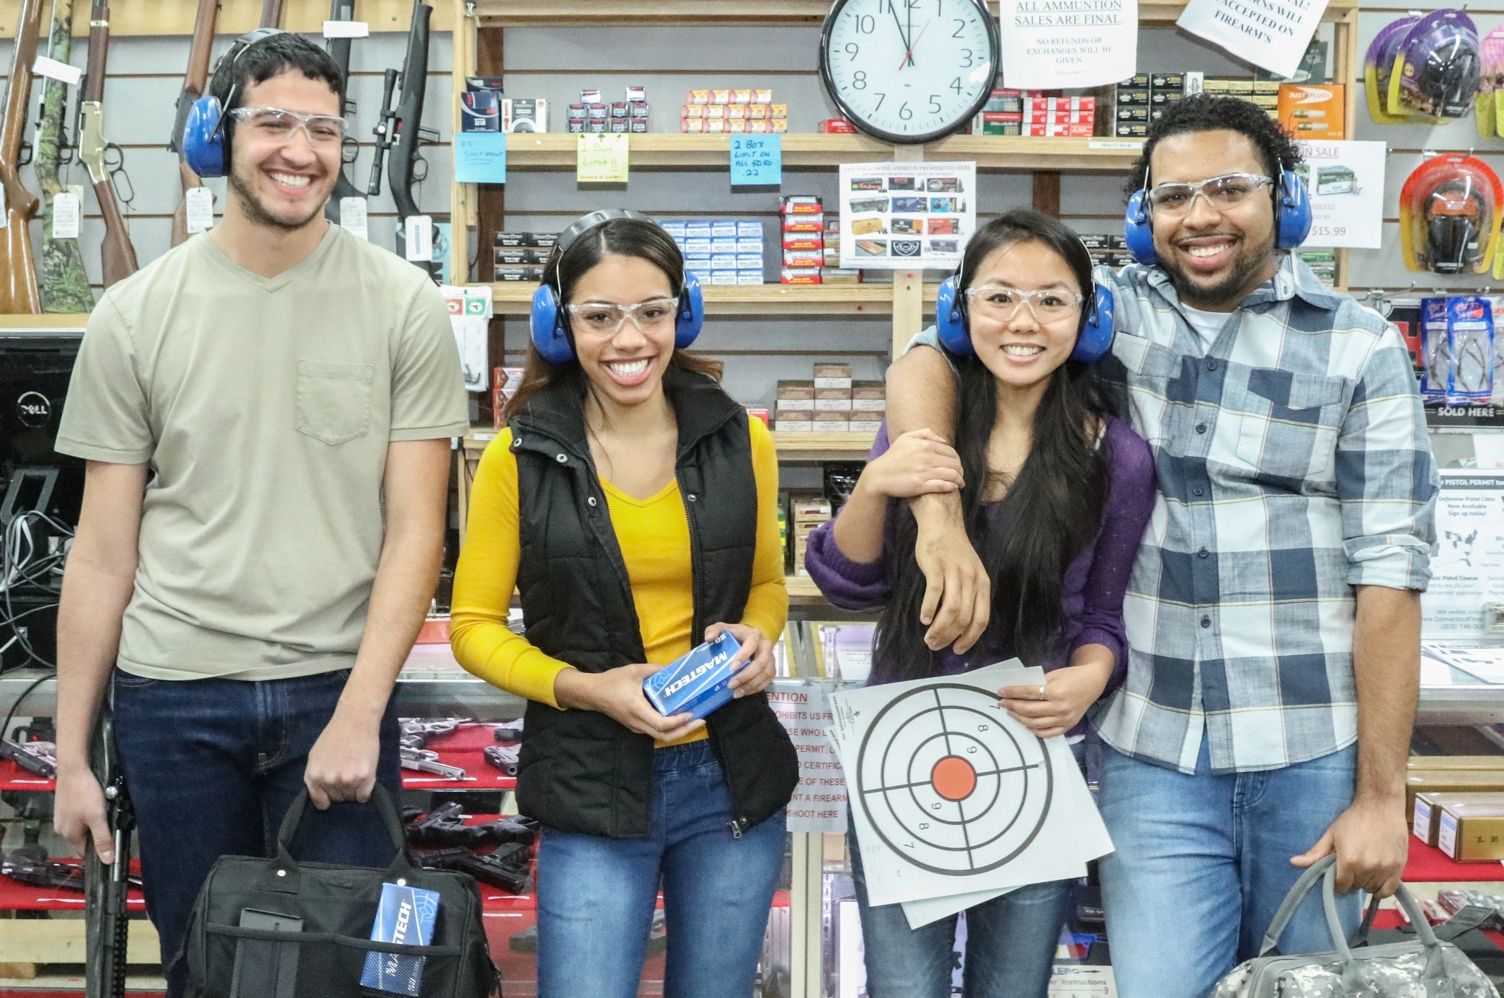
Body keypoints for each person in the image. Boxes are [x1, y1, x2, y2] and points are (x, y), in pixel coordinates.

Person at [885, 96, 1439, 996]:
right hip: (1152, 755)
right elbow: (929, 352)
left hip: (1312, 751)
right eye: (1173, 196)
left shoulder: (1360, 345)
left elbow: (1392, 576)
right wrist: (939, 518)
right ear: (1145, 218)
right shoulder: (1106, 315)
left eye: (1229, 188)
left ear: (1284, 200)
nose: (1202, 216)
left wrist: (1383, 794)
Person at [50, 32, 467, 997]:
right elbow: (104, 555)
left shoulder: (402, 305)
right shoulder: (137, 314)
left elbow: (416, 532)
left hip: (334, 687)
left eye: (323, 128)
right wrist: (72, 754)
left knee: (352, 977)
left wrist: (362, 713)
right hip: (173, 698)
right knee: (207, 973)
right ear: (216, 137)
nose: (300, 149)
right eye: (273, 120)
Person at [804, 209, 1156, 998]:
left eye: (1051, 301)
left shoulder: (1116, 456)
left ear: (1087, 318)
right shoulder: (924, 427)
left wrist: (1090, 677)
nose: (1023, 322)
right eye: (999, 297)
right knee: (901, 987)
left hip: (1032, 764)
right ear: (959, 310)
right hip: (902, 757)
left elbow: (1103, 617)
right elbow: (846, 584)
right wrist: (875, 486)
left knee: (1014, 987)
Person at [450, 209, 798, 998]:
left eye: (652, 311)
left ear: (685, 312)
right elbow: (472, 628)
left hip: (729, 780)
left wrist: (760, 634)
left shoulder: (743, 439)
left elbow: (768, 586)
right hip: (590, 780)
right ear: (558, 323)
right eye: (600, 316)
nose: (629, 339)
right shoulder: (519, 454)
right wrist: (589, 688)